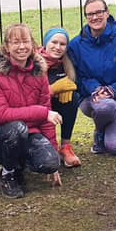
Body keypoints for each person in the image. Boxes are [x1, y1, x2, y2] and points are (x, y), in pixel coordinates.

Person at [0, 23, 63, 199]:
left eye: (25, 41)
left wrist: (53, 151)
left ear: (33, 44)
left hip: (28, 133)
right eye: (15, 42)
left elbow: (47, 118)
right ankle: (8, 174)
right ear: (7, 46)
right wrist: (41, 112)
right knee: (17, 128)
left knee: (50, 162)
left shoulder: (39, 72)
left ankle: (18, 165)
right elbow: (1, 114)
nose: (21, 47)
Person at [68, 0, 116, 155]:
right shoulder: (76, 45)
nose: (94, 17)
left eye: (99, 12)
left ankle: (106, 129)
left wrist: (113, 90)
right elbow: (78, 78)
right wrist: (96, 89)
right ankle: (101, 131)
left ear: (107, 13)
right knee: (106, 106)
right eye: (90, 14)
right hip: (92, 99)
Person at [40, 27, 81, 168]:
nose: (58, 47)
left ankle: (65, 146)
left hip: (58, 108)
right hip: (39, 110)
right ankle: (44, 144)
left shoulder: (67, 64)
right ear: (46, 43)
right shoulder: (34, 63)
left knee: (72, 97)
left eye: (62, 44)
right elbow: (30, 96)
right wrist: (52, 89)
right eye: (54, 42)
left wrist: (71, 86)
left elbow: (78, 84)